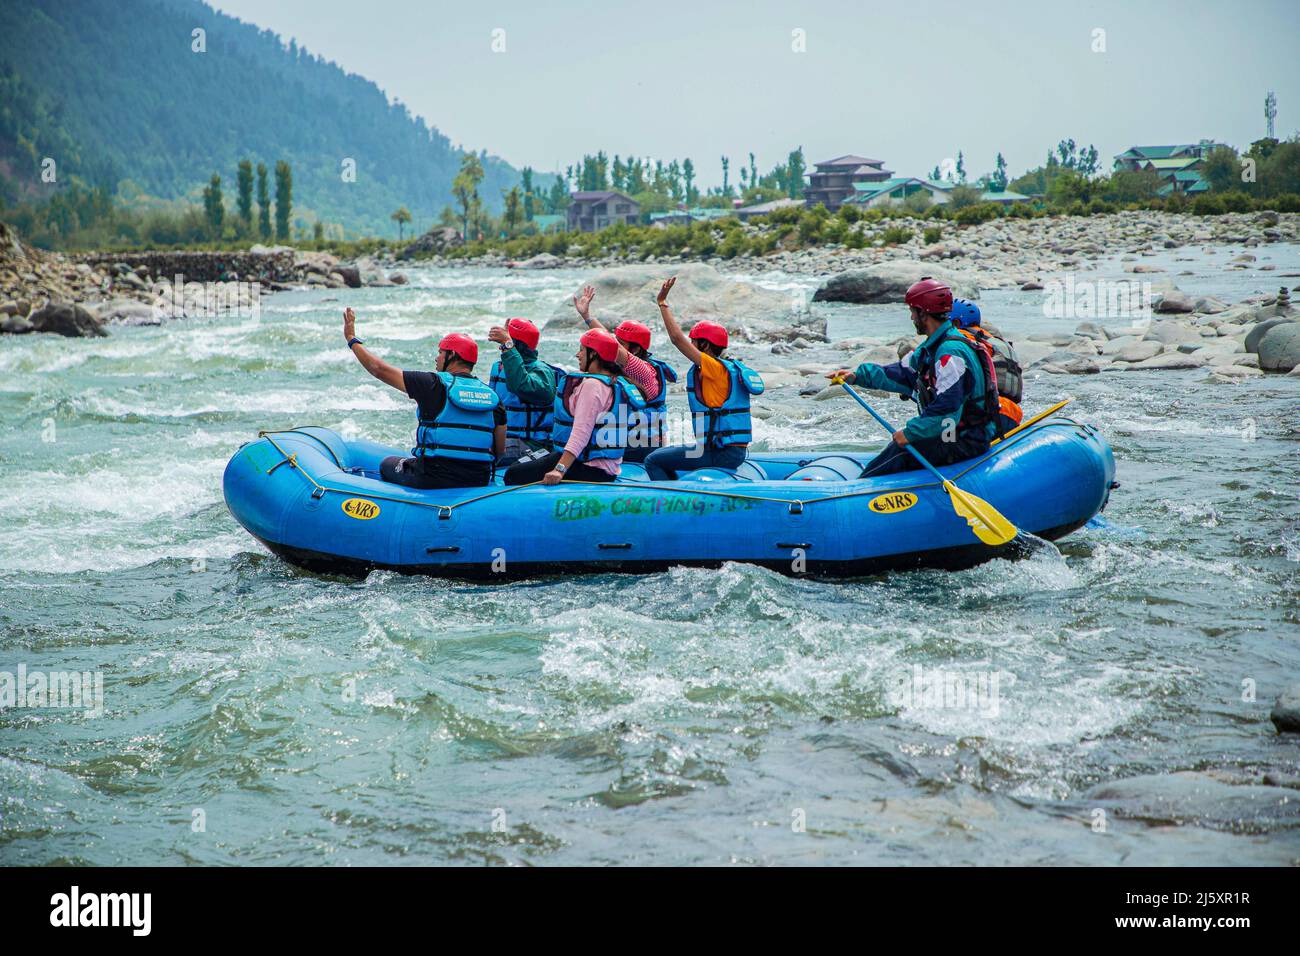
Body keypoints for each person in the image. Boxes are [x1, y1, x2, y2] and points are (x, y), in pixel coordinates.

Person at [826, 278, 999, 478]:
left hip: (964, 440)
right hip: (953, 434)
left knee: (900, 451)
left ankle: (856, 494)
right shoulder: (932, 348)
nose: (911, 318)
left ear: (923, 314)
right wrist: (856, 376)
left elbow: (947, 411)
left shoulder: (950, 354)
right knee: (901, 448)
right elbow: (901, 374)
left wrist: (910, 433)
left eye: (912, 312)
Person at [343, 307, 504, 489]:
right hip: (478, 478)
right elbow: (500, 451)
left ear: (452, 356)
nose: (437, 358)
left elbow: (379, 370)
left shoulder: (432, 384)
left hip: (433, 476)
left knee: (386, 464)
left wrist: (352, 339)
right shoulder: (493, 397)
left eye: (441, 352)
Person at [642, 276, 764, 480]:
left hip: (720, 453)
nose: (691, 344)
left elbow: (676, 340)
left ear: (705, 346)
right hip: (728, 451)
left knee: (653, 460)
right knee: (667, 454)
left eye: (694, 342)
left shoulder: (713, 367)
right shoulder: (725, 368)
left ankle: (668, 502)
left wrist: (662, 304)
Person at [503, 328, 649, 486]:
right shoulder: (616, 382)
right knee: (521, 464)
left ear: (594, 354)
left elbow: (581, 433)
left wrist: (559, 470)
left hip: (590, 468)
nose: (578, 355)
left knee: (512, 474)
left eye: (582, 350)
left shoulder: (592, 385)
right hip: (606, 467)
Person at [572, 284, 675, 462]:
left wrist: (588, 318)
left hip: (642, 446)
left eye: (621, 342)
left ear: (634, 350)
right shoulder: (631, 367)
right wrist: (587, 316)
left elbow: (610, 345)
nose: (614, 345)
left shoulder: (644, 371)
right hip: (630, 441)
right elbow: (609, 341)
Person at [486, 317, 560, 464]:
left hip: (533, 445)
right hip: (506, 439)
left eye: (509, 340)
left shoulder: (542, 372)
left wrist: (508, 346)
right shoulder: (499, 367)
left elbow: (519, 384)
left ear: (515, 345)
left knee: (481, 452)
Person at [949, 298, 1024, 437]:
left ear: (956, 323)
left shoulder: (961, 340)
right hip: (1014, 414)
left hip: (988, 415)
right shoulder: (996, 341)